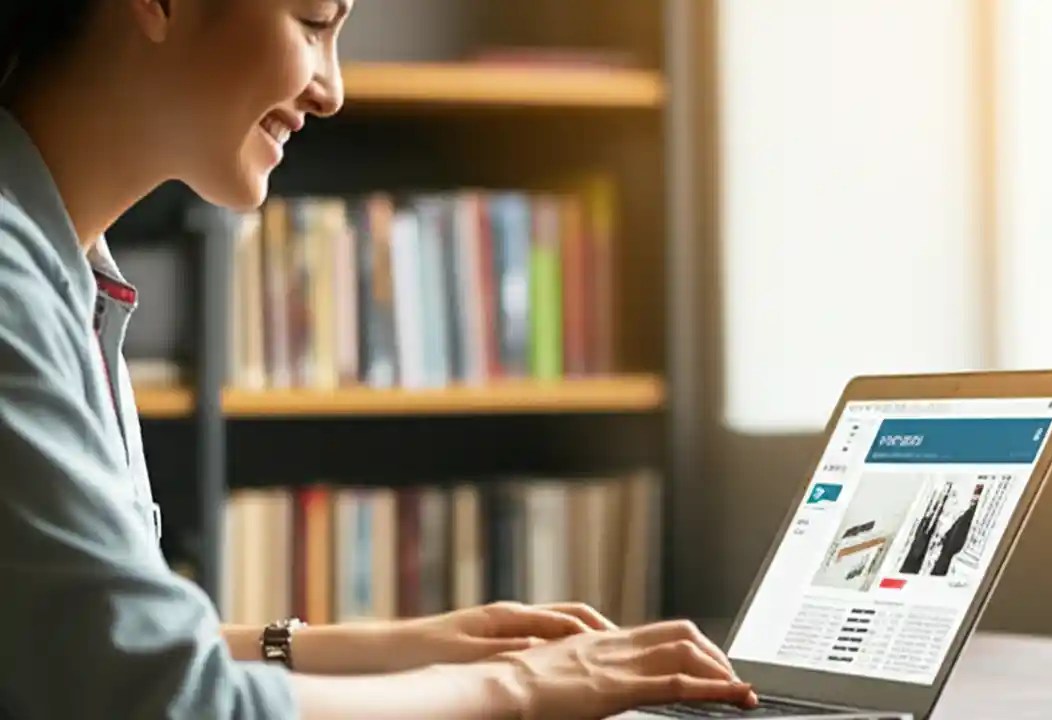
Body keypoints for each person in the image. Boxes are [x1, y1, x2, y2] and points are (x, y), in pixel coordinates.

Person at [0, 1, 756, 718]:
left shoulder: (69, 276)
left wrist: (394, 647)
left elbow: (92, 648)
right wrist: (517, 687)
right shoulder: (11, 280)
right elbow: (165, 700)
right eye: (314, 22)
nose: (332, 90)